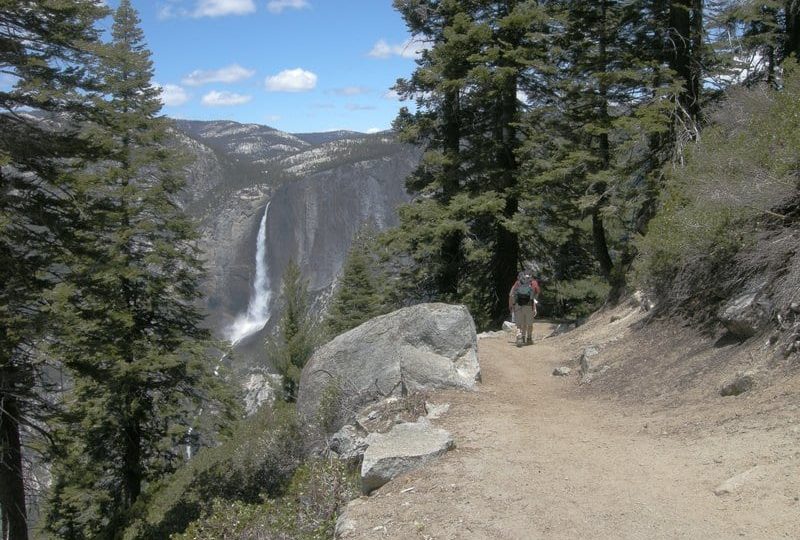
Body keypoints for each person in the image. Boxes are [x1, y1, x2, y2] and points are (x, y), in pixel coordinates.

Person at [509, 269, 540, 347]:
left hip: (518, 305)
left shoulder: (518, 282)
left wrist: (512, 305)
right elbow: (536, 294)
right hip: (529, 306)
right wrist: (535, 307)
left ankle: (520, 336)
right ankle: (529, 339)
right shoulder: (534, 283)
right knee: (529, 324)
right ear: (531, 275)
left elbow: (512, 294)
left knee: (519, 324)